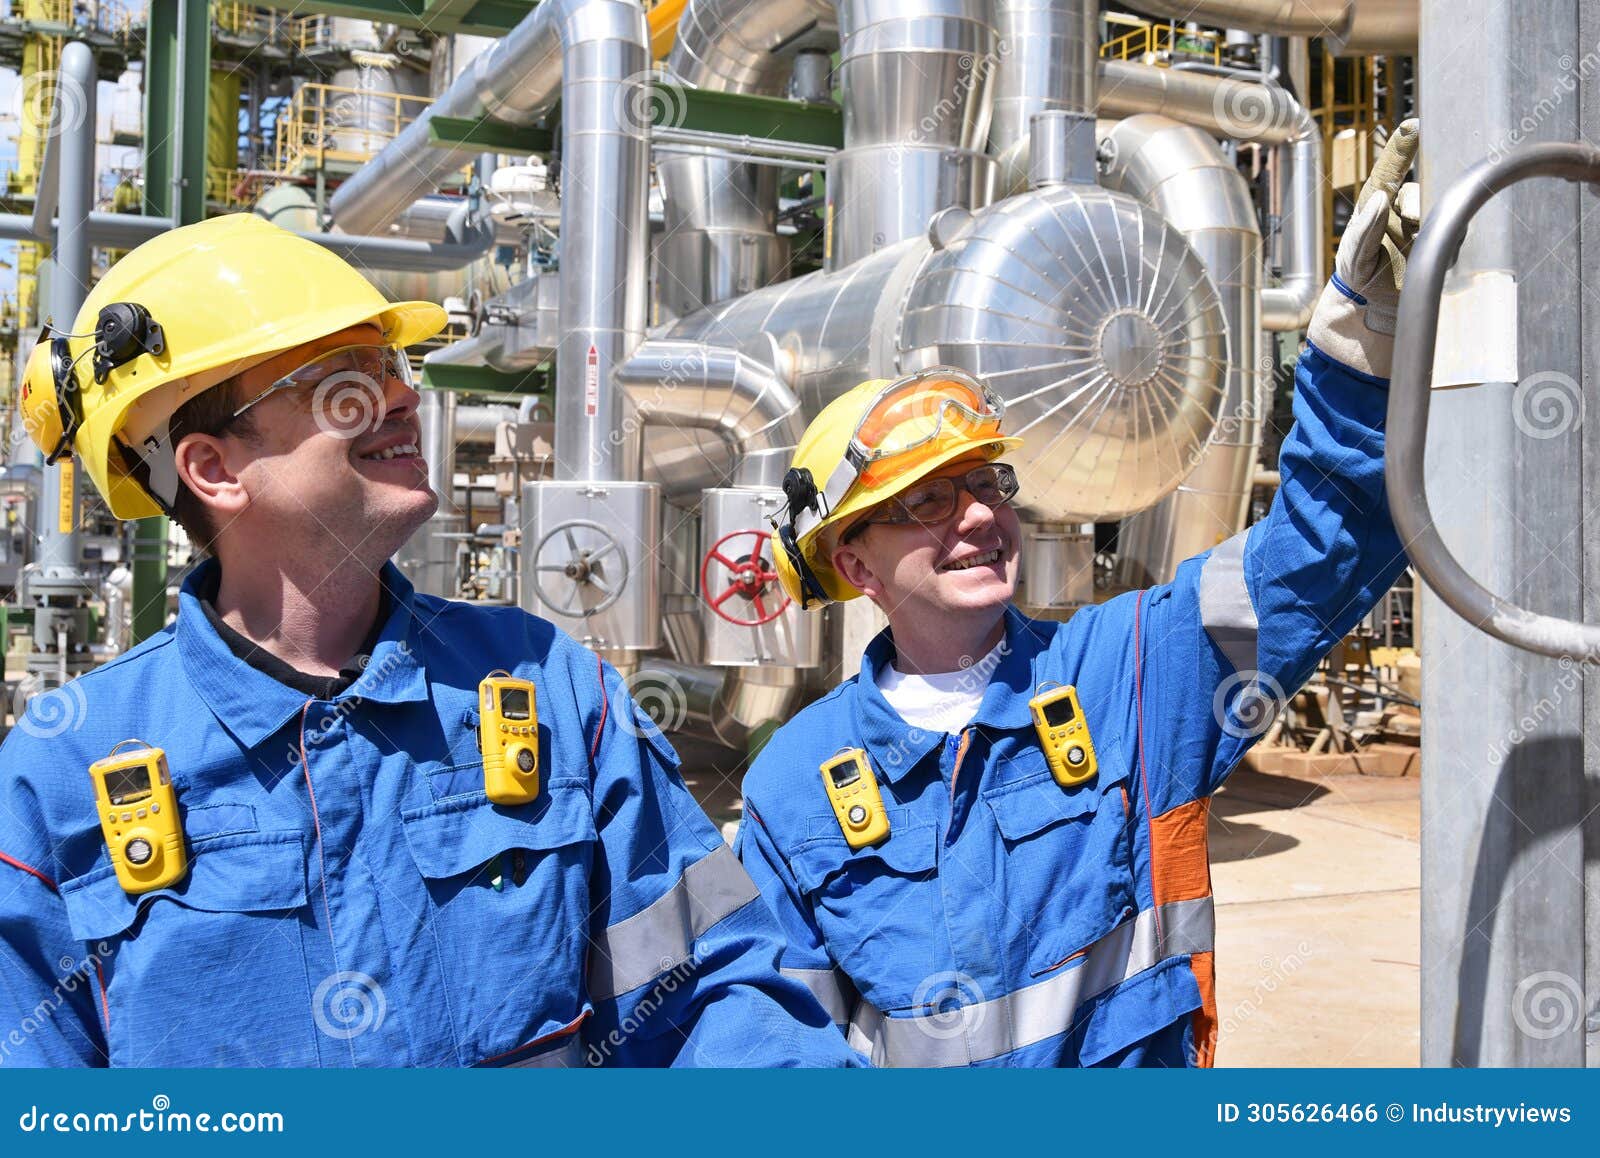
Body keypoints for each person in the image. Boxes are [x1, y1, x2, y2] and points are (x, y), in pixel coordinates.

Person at [0, 214, 857, 1068]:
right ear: (214, 470)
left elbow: (711, 987)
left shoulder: (553, 690)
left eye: (393, 366)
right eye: (342, 381)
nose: (406, 396)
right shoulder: (61, 776)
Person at [736, 121, 1421, 1067]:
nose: (975, 518)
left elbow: (1322, 544)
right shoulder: (794, 786)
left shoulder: (1137, 672)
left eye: (986, 486)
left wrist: (1362, 344)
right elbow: (775, 1047)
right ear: (853, 565)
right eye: (927, 502)